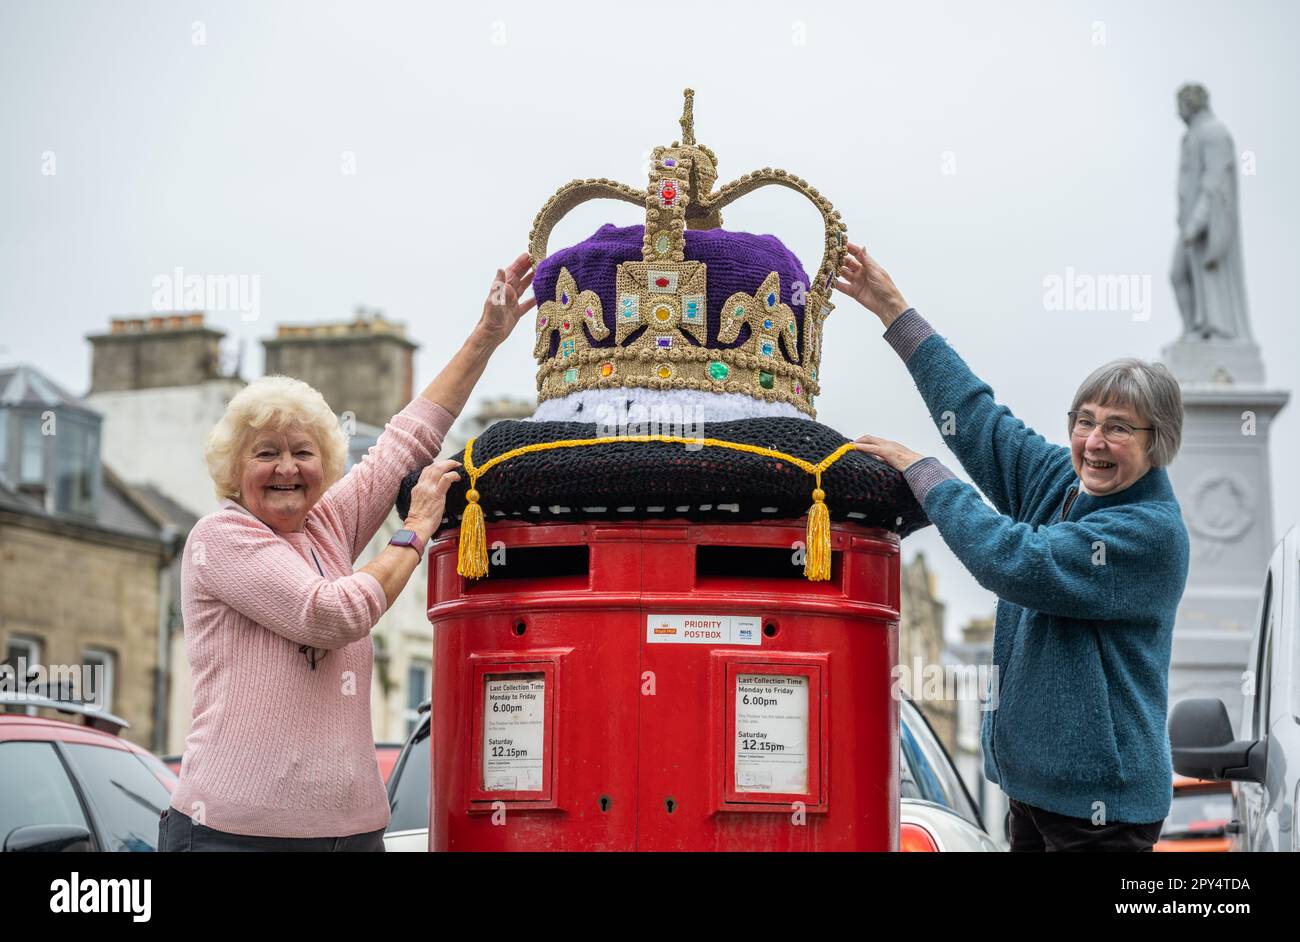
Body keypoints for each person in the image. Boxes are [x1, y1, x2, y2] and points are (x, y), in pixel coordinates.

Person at [158, 254, 535, 851]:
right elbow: (330, 614)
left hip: (352, 834)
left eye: (302, 452)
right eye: (265, 454)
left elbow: (407, 438)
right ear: (234, 470)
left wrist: (486, 337)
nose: (287, 468)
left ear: (325, 464)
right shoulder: (219, 538)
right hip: (233, 835)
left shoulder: (327, 524)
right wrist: (413, 531)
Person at [836, 243, 1190, 851]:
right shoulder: (1061, 480)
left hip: (1100, 818)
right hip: (1031, 797)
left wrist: (926, 471)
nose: (1093, 440)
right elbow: (977, 419)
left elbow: (1014, 560)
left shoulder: (1150, 533)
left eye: (1118, 427)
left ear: (1159, 443)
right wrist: (891, 310)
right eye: (1084, 420)